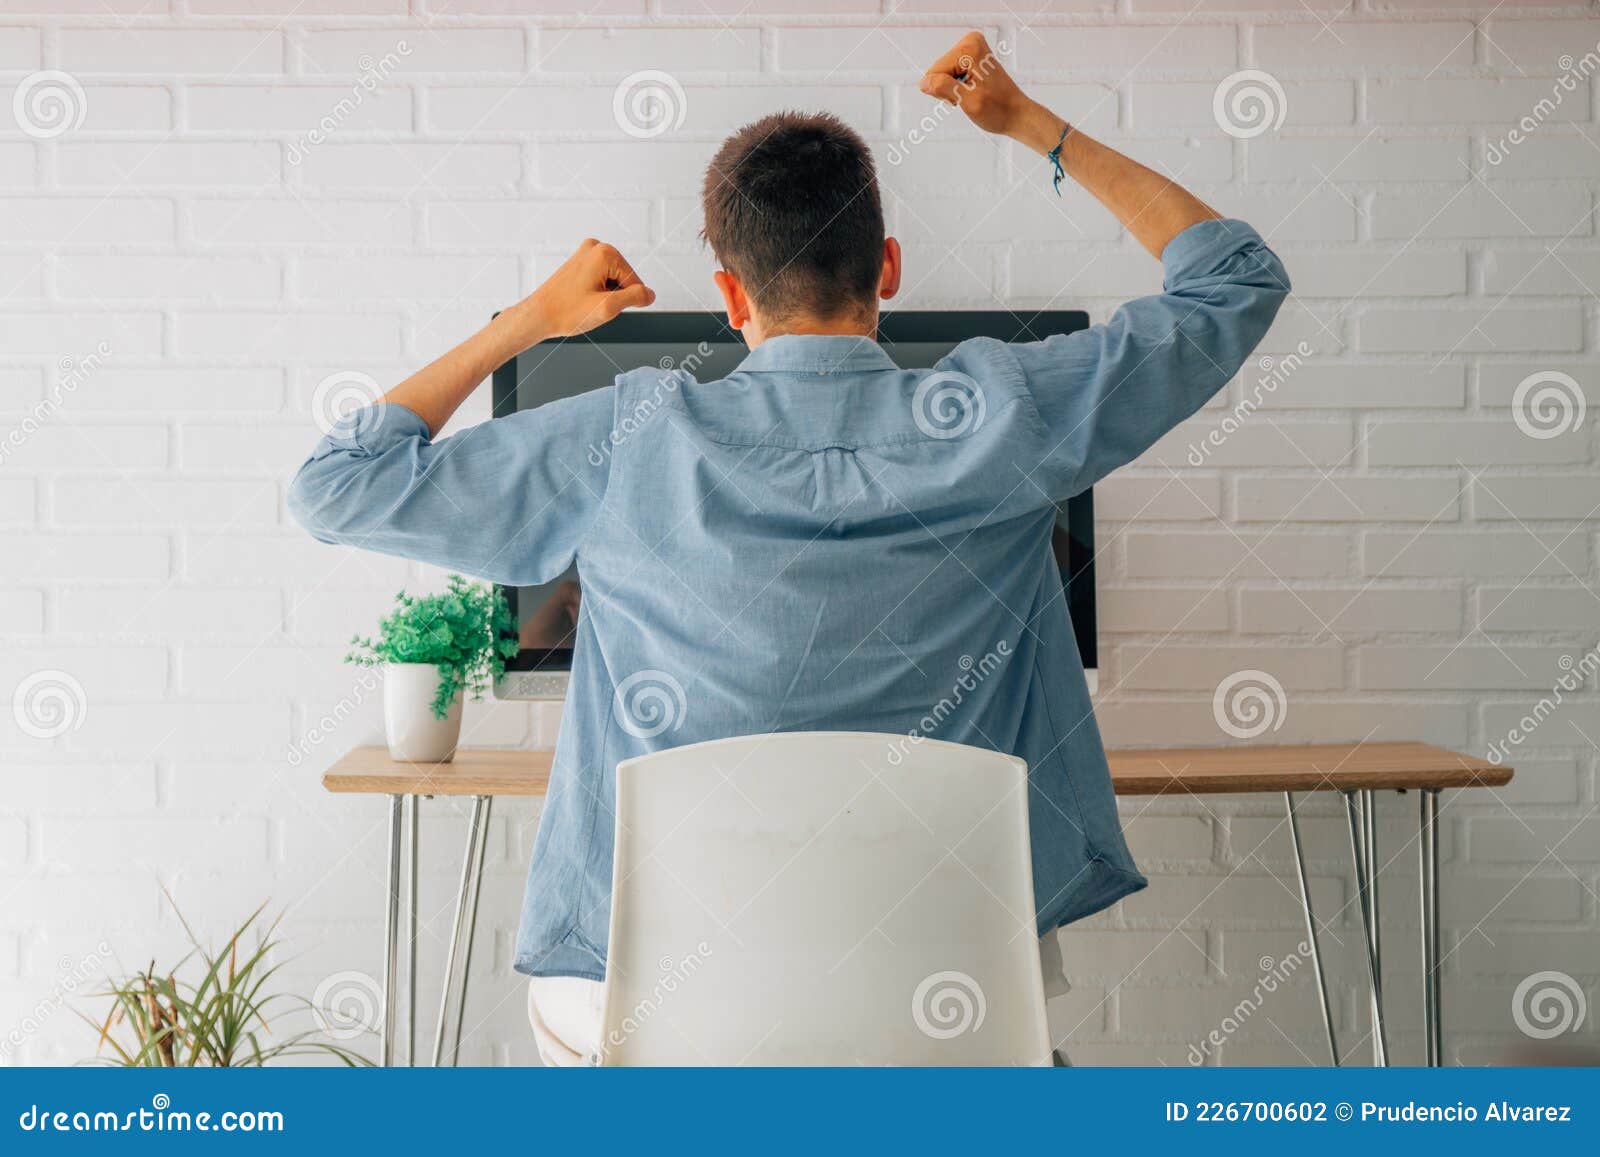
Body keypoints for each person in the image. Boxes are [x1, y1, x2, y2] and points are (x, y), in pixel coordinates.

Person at [289, 31, 1289, 1065]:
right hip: (949, 1013)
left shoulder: (625, 439)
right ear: (887, 267)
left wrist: (532, 322)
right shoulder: (1005, 412)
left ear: (730, 294)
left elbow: (337, 487)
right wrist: (1027, 122)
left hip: (647, 1024)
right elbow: (1235, 283)